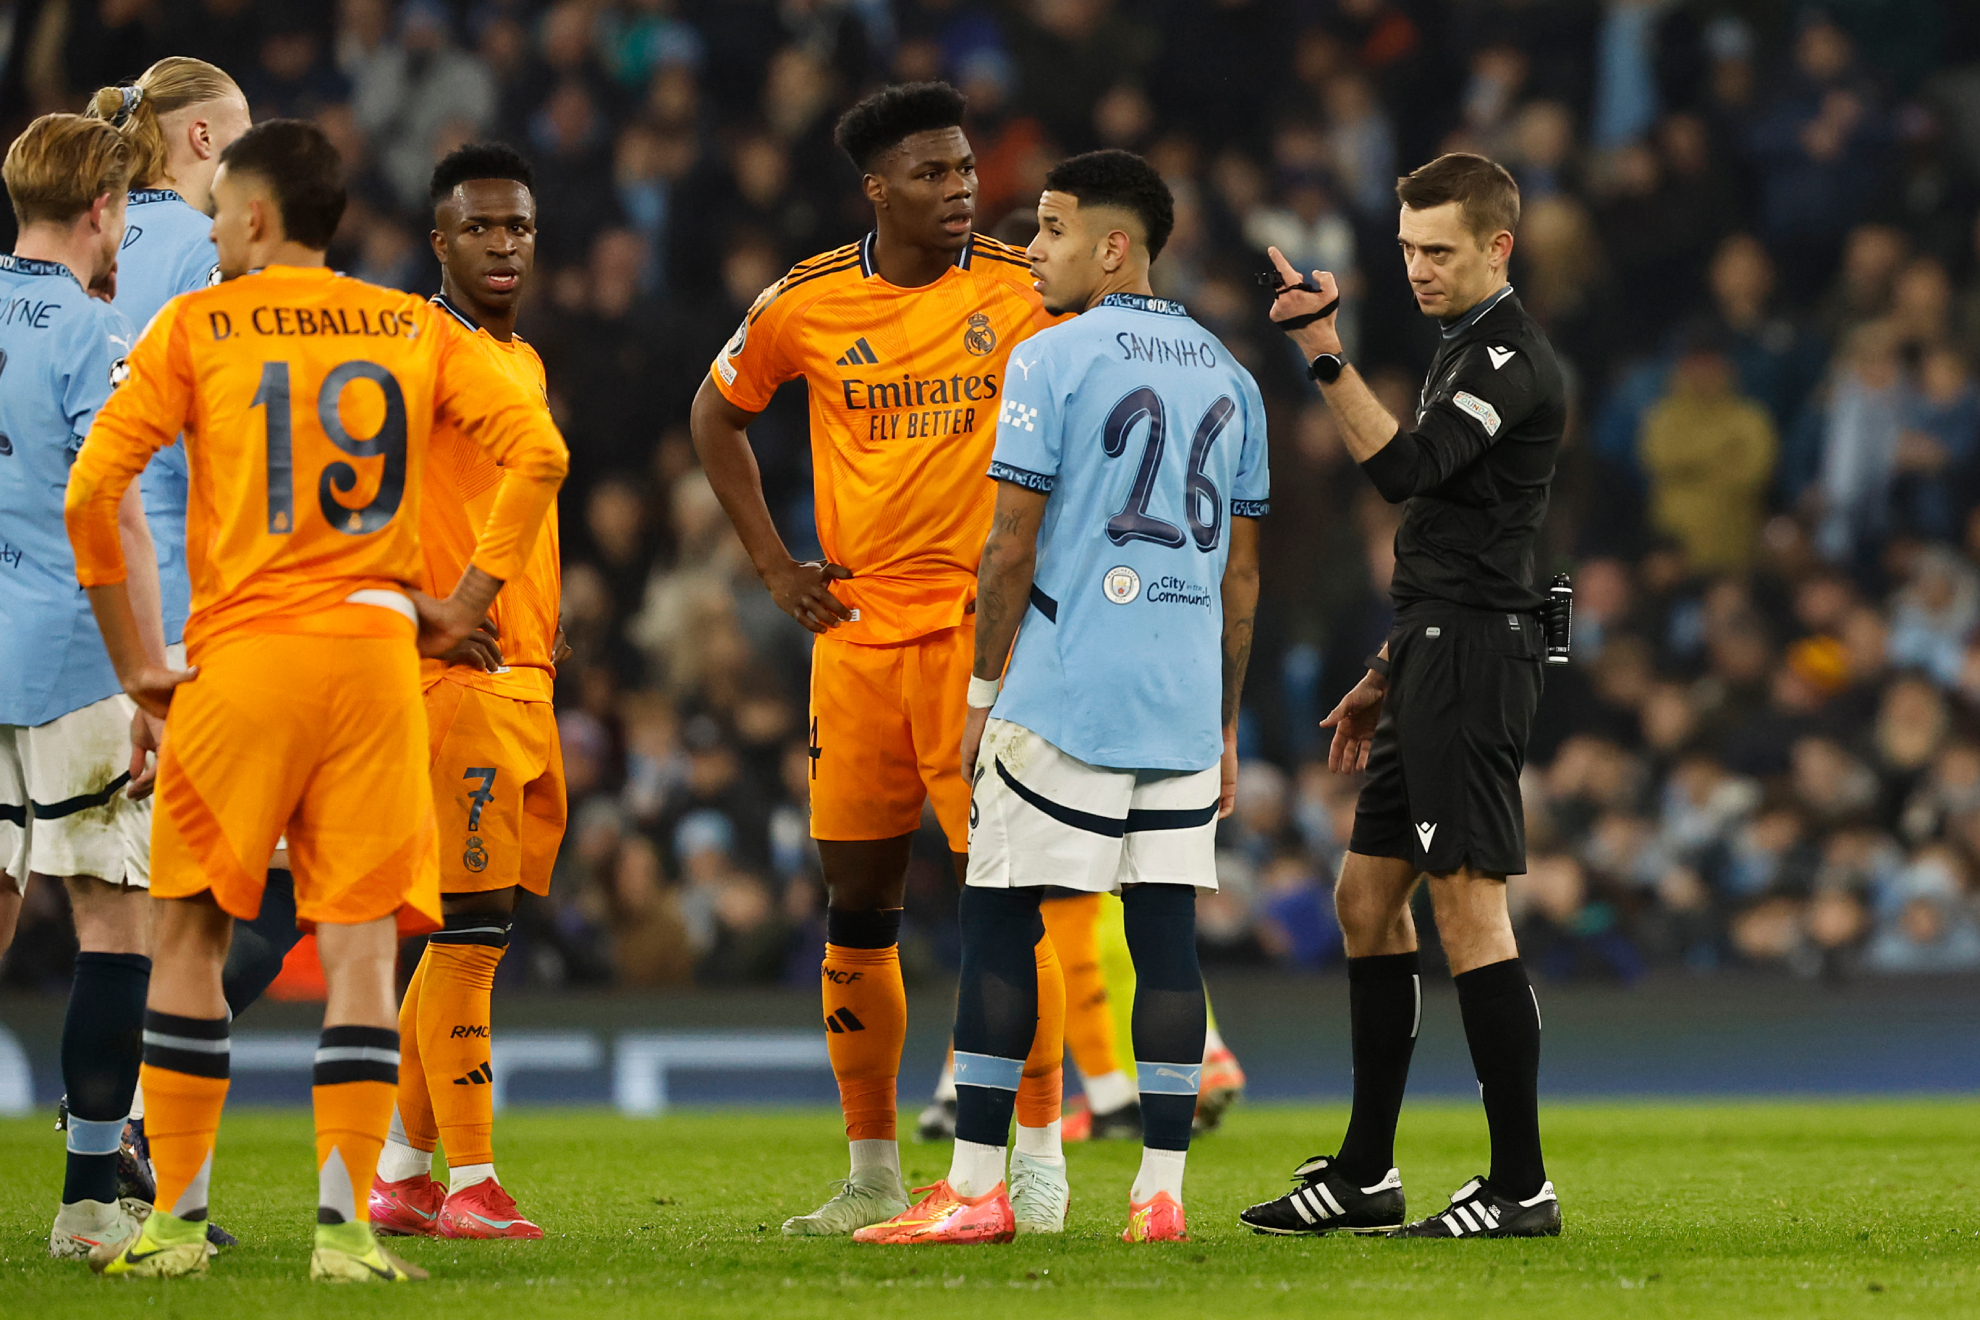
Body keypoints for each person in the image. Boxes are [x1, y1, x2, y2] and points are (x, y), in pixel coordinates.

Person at [66, 118, 567, 1282]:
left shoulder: (195, 324)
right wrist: (459, 602)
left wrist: (140, 659)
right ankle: (346, 1231)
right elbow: (538, 455)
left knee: (189, 936)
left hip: (243, 657)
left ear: (249, 216)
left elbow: (97, 489)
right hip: (378, 662)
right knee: (358, 956)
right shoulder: (407, 328)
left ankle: (176, 1225)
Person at [855, 149, 1267, 1247]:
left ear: (1112, 247)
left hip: (1069, 688)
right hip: (1181, 699)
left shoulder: (1049, 359)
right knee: (1167, 933)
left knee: (999, 920)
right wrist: (1225, 723)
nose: (1029, 249)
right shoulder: (1232, 371)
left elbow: (1008, 547)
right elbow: (1245, 578)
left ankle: (980, 1185)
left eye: (1048, 229)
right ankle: (1161, 1192)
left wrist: (986, 688)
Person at [689, 81, 1068, 1237]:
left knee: (1003, 902)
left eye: (965, 170)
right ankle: (872, 1173)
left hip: (977, 638)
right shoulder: (804, 303)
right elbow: (715, 416)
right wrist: (772, 566)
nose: (961, 191)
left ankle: (1036, 1162)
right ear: (878, 189)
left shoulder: (1020, 289)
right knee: (858, 903)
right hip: (855, 643)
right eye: (934, 174)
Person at [1240, 152, 1565, 1239]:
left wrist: (1323, 354)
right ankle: (1368, 1173)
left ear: (1497, 248)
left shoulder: (1512, 357)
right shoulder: (1458, 345)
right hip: (1432, 652)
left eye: (1440, 250)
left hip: (1476, 661)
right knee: (1364, 902)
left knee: (1469, 911)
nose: (1419, 268)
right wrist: (1389, 666)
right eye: (1409, 249)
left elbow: (1408, 474)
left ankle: (1521, 1186)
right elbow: (1451, 530)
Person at [367, 141, 568, 1242]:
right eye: (482, 228)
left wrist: (551, 602)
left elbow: (513, 492)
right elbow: (356, 485)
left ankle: (403, 1172)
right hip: (459, 680)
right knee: (470, 932)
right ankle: (473, 1179)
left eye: (520, 228)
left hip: (524, 671)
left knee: (471, 934)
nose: (504, 245)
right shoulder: (413, 349)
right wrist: (426, 605)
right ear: (437, 242)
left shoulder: (518, 358)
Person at [84, 56, 252, 1236]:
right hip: (183, 614)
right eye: (242, 141)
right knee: (203, 898)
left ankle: (115, 1133)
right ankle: (136, 1129)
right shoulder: (204, 259)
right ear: (200, 143)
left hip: (61, 601)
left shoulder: (86, 246)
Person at [0, 112, 162, 1262]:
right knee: (113, 917)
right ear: (103, 209)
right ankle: (92, 1203)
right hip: (70, 659)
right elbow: (113, 515)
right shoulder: (97, 338)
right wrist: (151, 677)